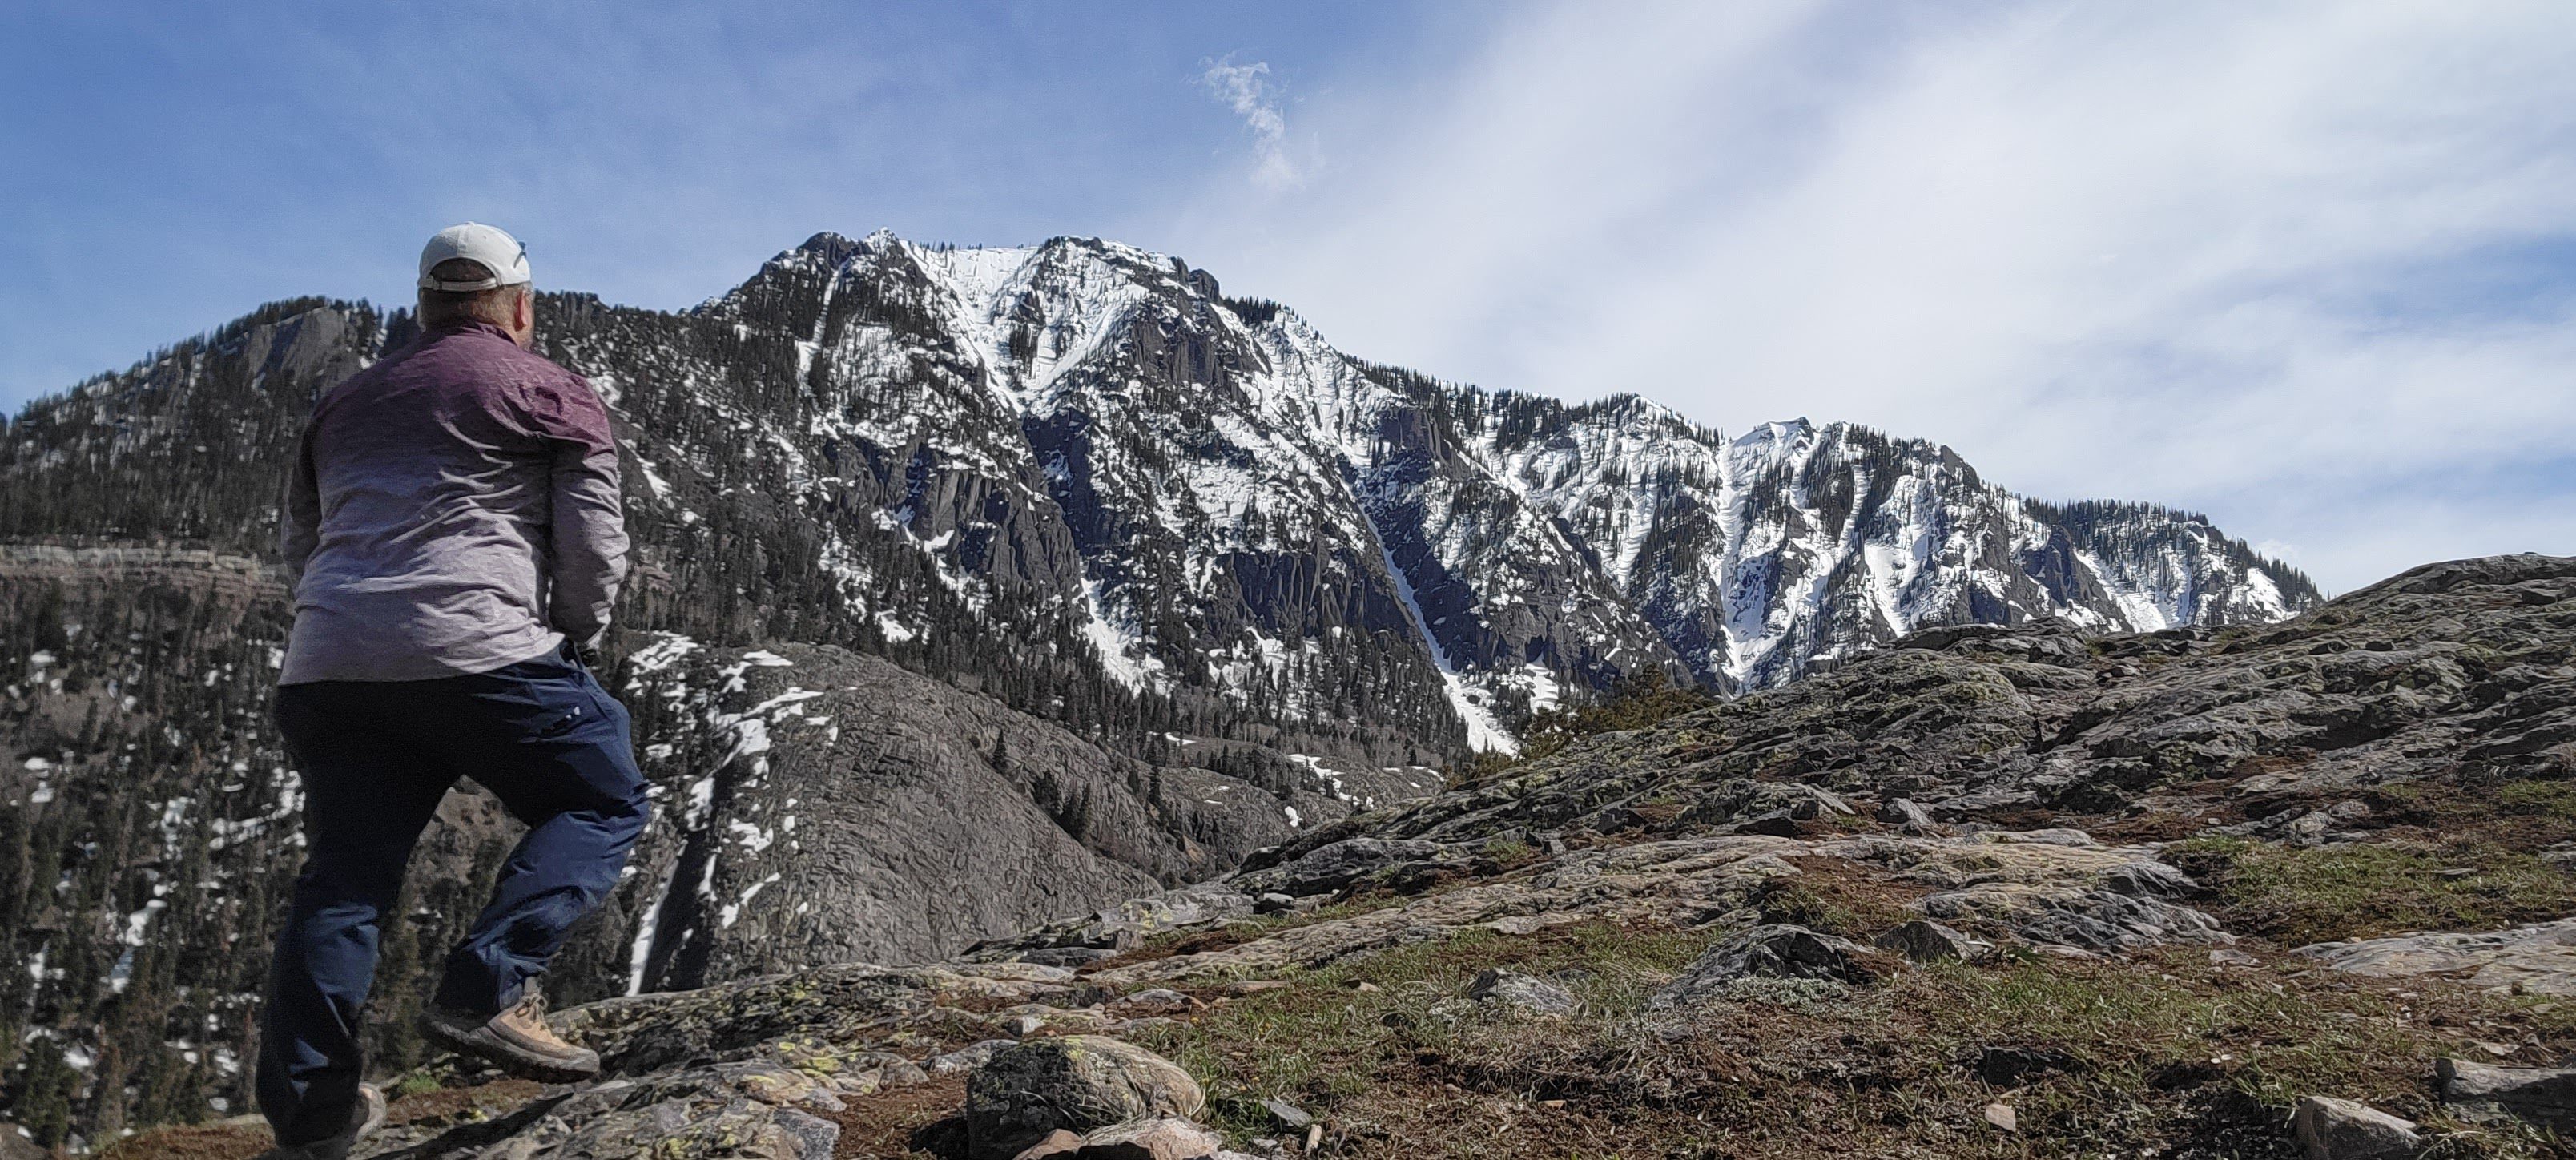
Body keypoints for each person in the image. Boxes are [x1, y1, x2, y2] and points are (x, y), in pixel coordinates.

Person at [254, 223, 647, 1159]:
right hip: (481, 651)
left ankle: (314, 1123)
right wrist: (575, 635)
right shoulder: (551, 389)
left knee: (344, 883)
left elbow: (298, 547)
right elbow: (592, 546)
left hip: (330, 666)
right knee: (602, 792)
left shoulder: (341, 405)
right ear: (520, 306)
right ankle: (489, 986)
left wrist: (352, 625)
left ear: (423, 306)